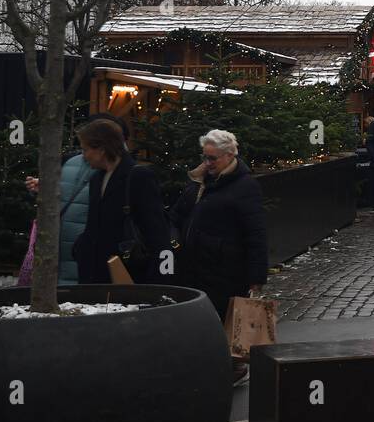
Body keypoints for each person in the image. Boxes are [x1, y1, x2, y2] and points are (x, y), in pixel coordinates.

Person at [168, 130, 267, 386]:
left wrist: (256, 276)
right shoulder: (199, 182)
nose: (208, 163)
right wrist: (175, 241)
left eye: (213, 158)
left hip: (226, 268)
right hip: (194, 264)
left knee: (228, 319)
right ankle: (210, 367)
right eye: (205, 157)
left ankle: (235, 368)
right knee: (203, 320)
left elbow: (256, 232)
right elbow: (176, 216)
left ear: (229, 155)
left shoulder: (245, 186)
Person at [23, 112, 126, 285]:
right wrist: (45, 189)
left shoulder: (116, 169)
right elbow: (63, 192)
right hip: (61, 242)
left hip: (86, 243)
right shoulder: (71, 162)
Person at [71, 118, 169, 284]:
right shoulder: (96, 178)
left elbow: (156, 230)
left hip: (127, 273)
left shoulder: (139, 176)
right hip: (95, 274)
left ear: (101, 149)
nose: (84, 155)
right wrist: (81, 249)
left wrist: (159, 278)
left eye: (85, 149)